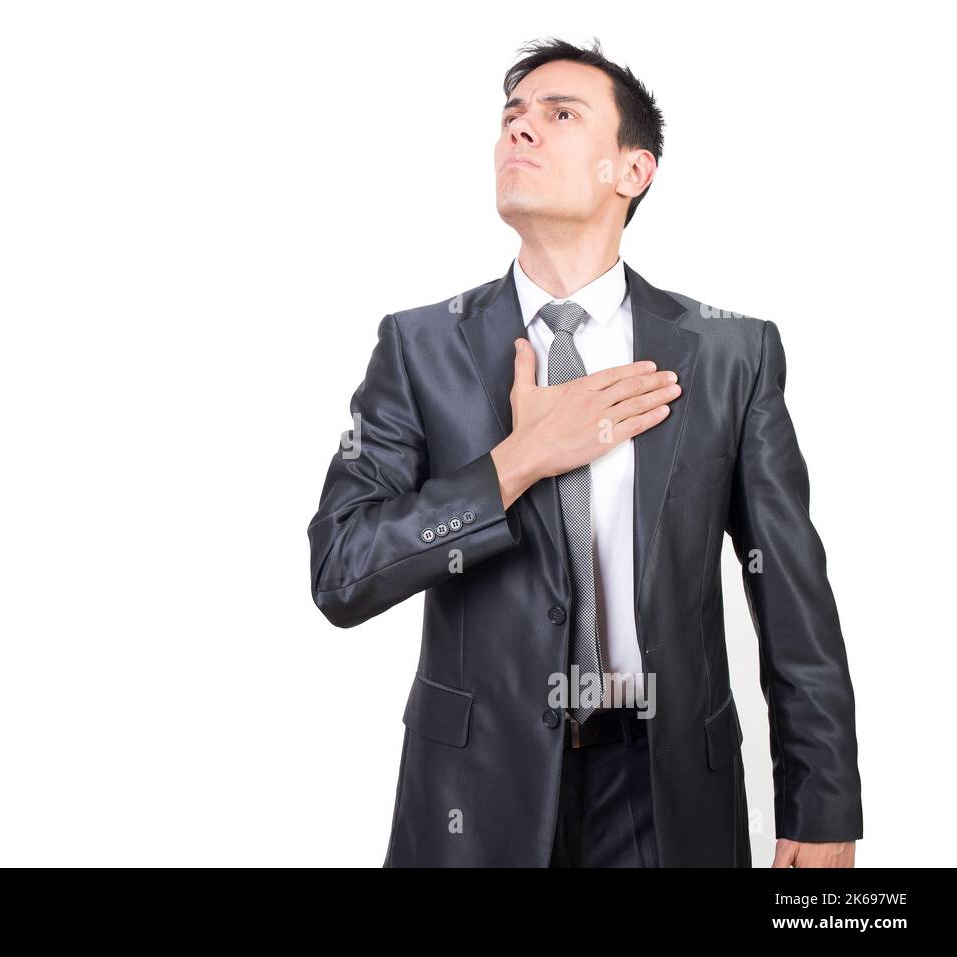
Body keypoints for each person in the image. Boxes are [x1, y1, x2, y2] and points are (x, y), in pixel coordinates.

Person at [306, 37, 862, 867]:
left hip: (664, 790)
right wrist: (516, 462)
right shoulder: (419, 347)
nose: (519, 131)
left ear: (631, 171)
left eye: (559, 114)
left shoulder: (729, 353)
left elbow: (789, 593)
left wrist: (821, 807)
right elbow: (342, 570)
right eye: (511, 117)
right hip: (475, 793)